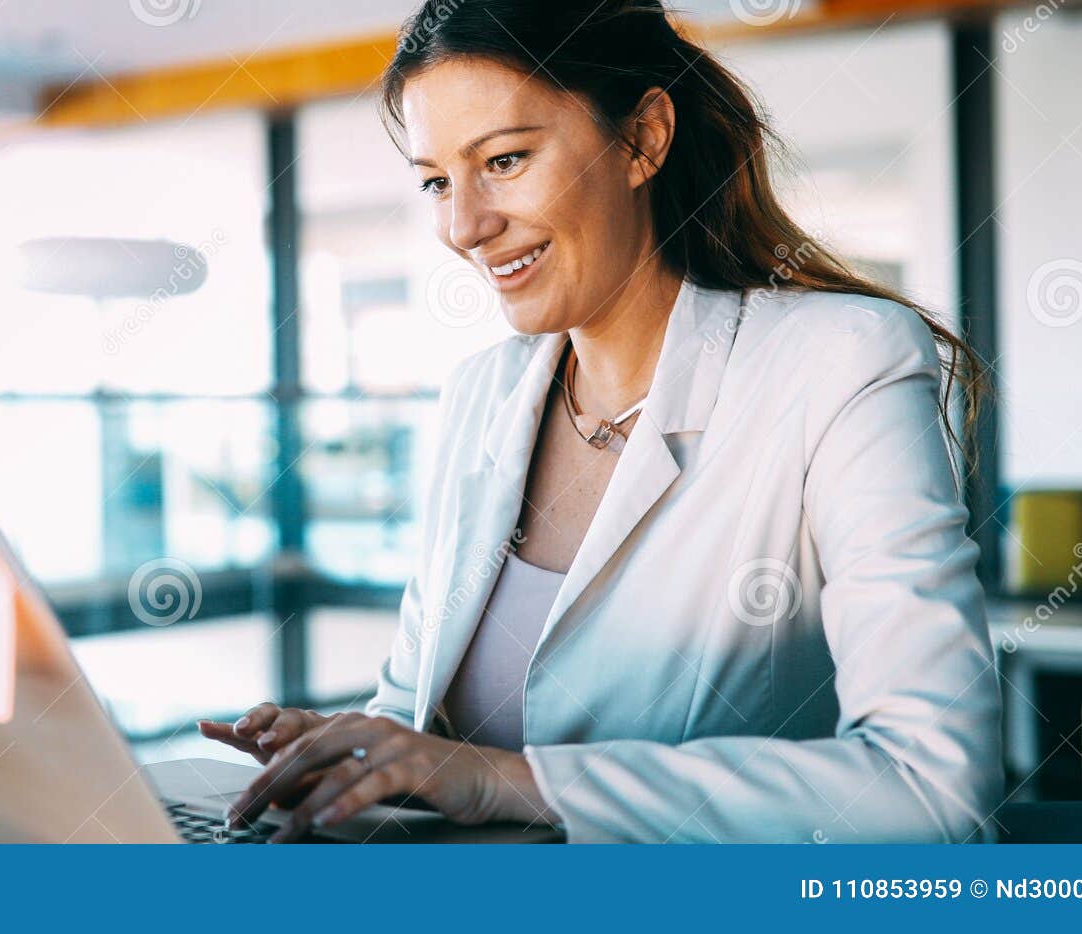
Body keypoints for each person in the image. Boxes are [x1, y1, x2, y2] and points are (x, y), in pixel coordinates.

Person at [199, 0, 1002, 843]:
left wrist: (505, 780)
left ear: (643, 139)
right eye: (436, 180)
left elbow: (931, 787)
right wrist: (352, 758)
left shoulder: (839, 359)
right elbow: (415, 712)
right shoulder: (481, 393)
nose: (463, 226)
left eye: (504, 160)